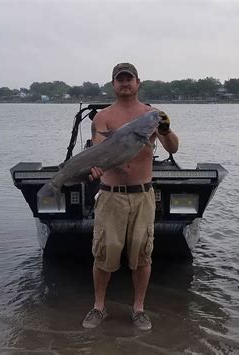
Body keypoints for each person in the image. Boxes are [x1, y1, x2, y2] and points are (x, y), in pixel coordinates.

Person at [82, 63, 179, 330]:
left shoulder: (152, 116)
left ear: (138, 82)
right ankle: (98, 307)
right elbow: (98, 152)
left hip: (142, 195)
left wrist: (166, 130)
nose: (124, 83)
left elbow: (173, 148)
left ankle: (138, 309)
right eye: (119, 79)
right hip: (110, 195)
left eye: (129, 79)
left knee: (142, 254)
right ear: (113, 84)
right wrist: (93, 167)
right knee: (104, 253)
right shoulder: (102, 118)